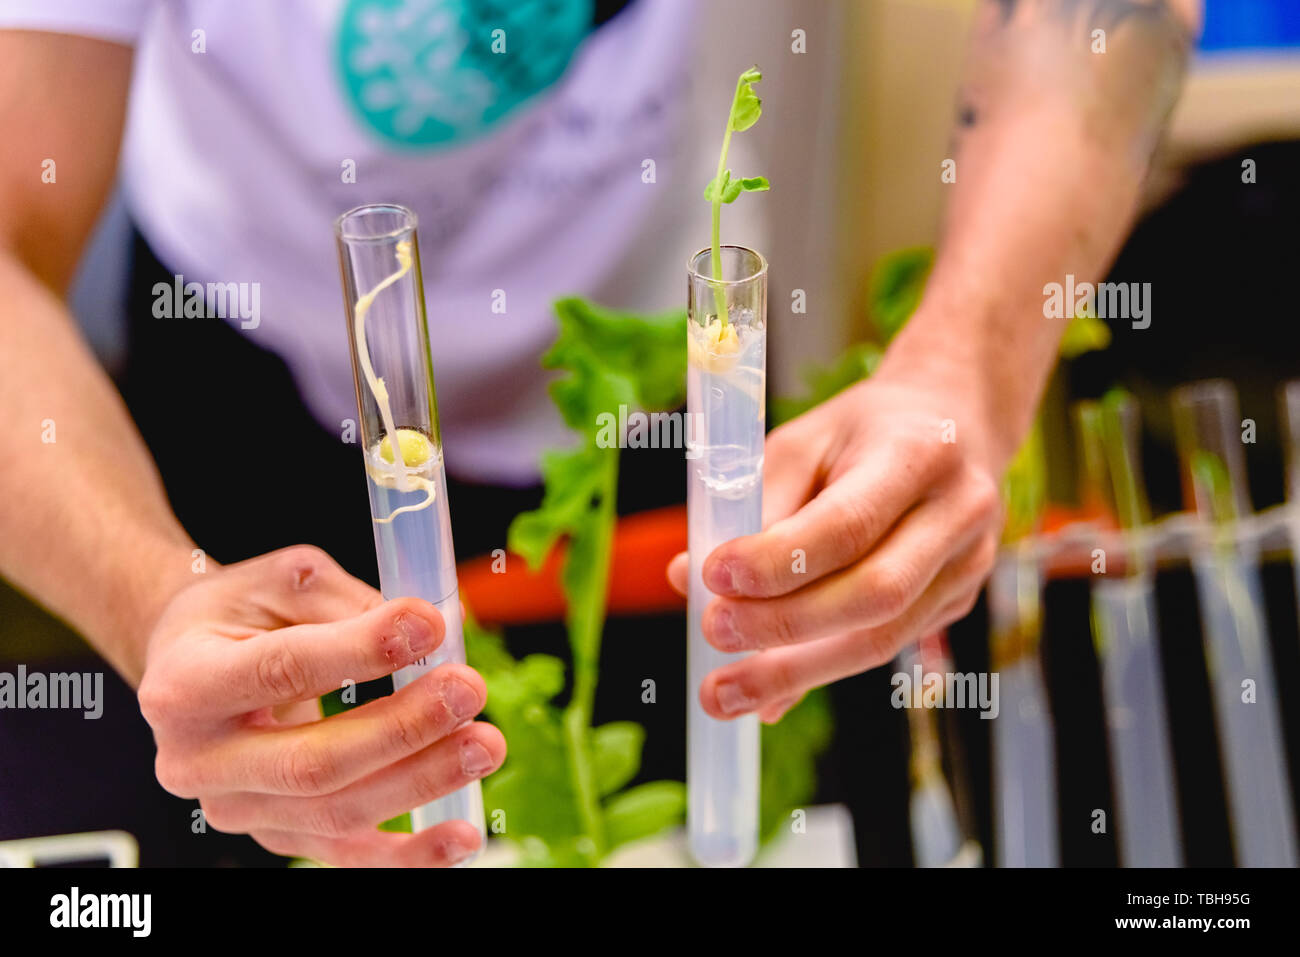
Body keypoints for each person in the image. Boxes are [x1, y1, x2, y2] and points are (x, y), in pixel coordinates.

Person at [0, 0, 1200, 866]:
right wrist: (155, 597)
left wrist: (969, 367)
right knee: (273, 794)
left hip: (676, 412)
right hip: (247, 388)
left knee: (716, 800)